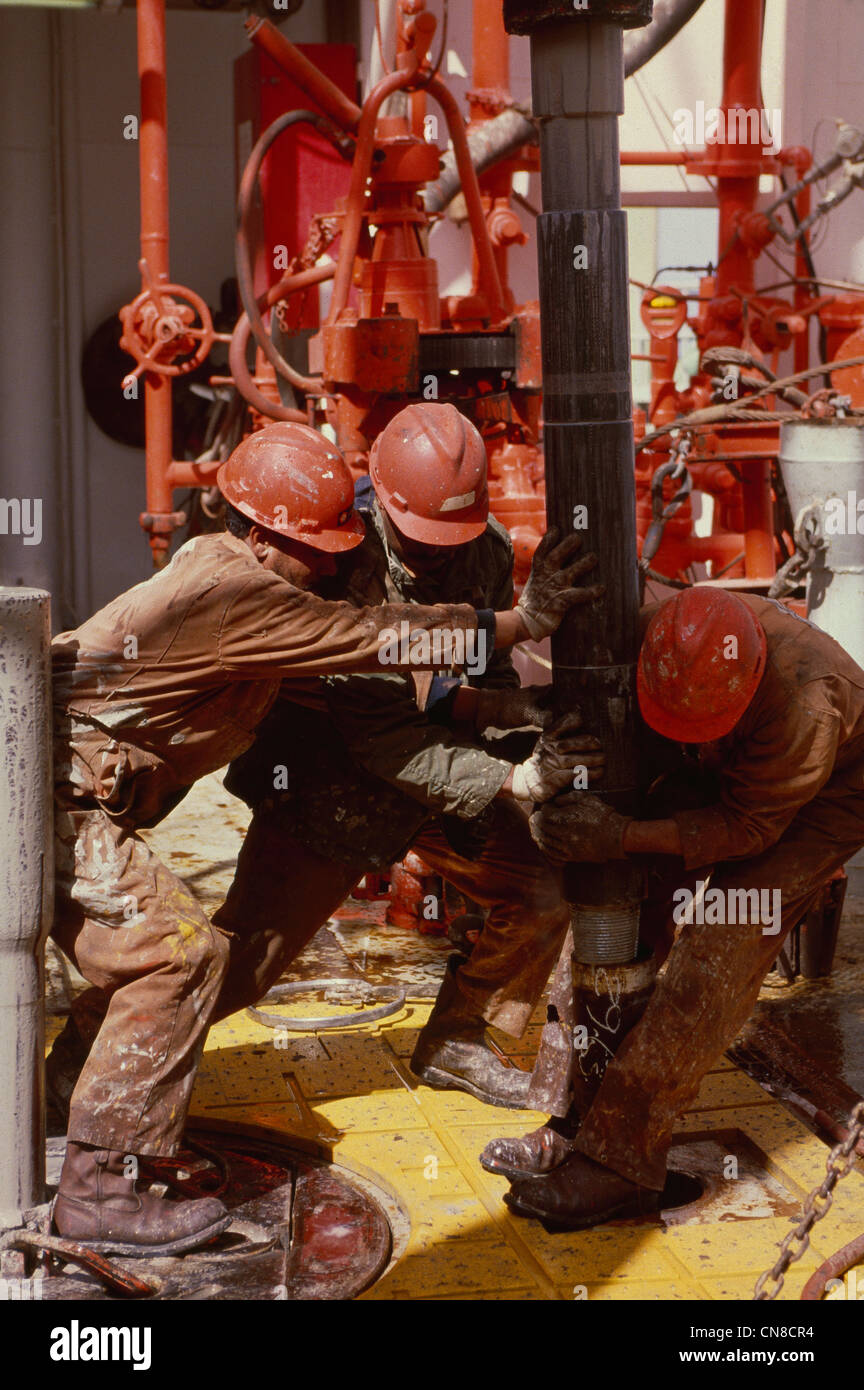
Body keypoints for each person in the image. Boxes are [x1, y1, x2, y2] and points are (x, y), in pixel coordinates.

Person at [48, 420, 594, 1255]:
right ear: (266, 537)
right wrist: (518, 625)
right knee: (186, 955)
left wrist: (512, 708)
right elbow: (377, 642)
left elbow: (431, 683)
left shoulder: (256, 572)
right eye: (320, 547)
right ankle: (99, 1178)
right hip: (56, 790)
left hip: (70, 785)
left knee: (184, 957)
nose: (335, 564)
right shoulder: (241, 591)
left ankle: (79, 1124)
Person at [213, 402, 605, 1108]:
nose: (437, 554)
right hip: (326, 775)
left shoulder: (477, 546)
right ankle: (94, 1064)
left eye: (450, 537)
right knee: (246, 962)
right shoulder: (339, 561)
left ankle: (459, 1039)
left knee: (542, 880)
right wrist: (514, 779)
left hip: (431, 756)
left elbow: (484, 673)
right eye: (420, 540)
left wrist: (518, 716)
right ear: (381, 500)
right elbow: (380, 735)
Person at [482, 587, 864, 1229]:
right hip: (707, 755)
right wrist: (565, 805)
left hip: (824, 798)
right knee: (610, 906)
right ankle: (574, 1119)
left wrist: (619, 833)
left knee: (720, 945)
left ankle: (619, 1163)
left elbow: (746, 828)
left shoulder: (807, 702)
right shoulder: (650, 629)